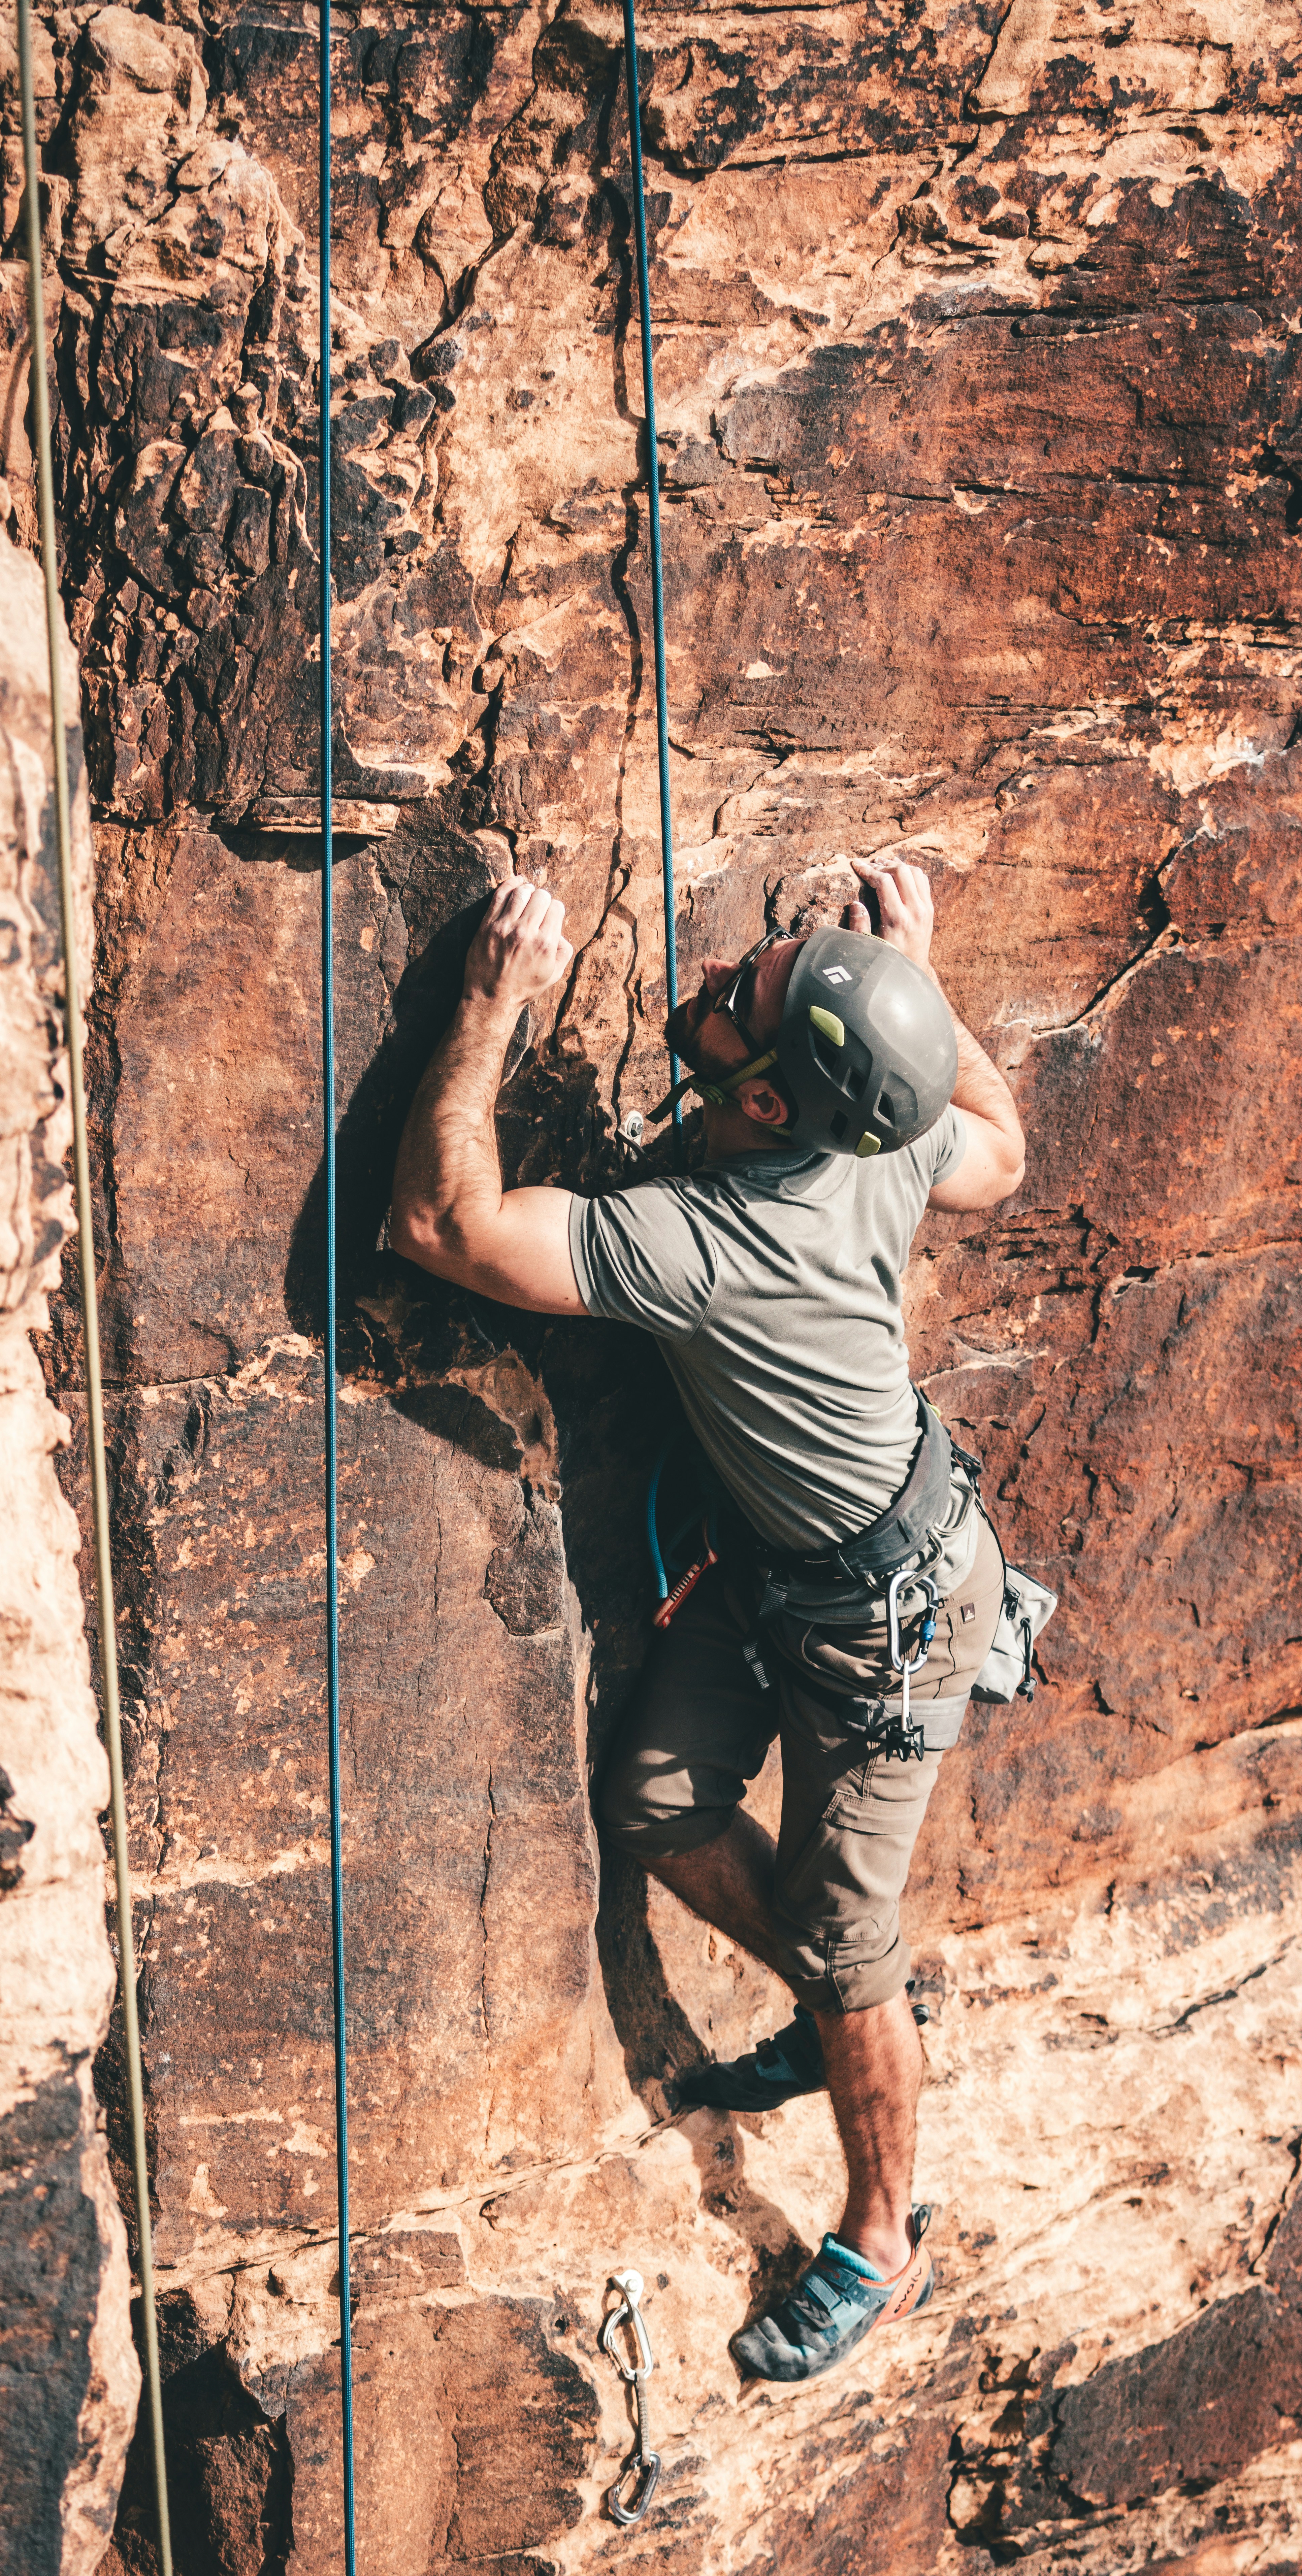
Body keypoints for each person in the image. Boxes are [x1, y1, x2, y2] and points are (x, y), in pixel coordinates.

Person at [389, 856, 1026, 2382]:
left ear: (765, 1101)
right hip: (796, 1563)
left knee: (849, 1939)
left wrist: (487, 1009)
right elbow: (997, 1155)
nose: (724, 974)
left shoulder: (705, 1245)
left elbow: (441, 1225)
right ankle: (838, 2010)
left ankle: (881, 2242)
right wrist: (915, 995)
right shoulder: (879, 1134)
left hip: (886, 1617)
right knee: (657, 1806)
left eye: (746, 993)